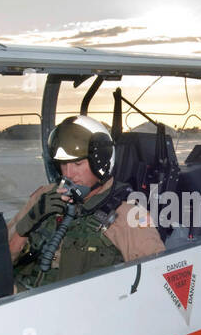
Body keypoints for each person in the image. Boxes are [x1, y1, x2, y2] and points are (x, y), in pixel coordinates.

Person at [8, 115, 164, 290]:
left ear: (101, 163)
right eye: (63, 164)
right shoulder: (44, 197)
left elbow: (156, 283)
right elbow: (1, 263)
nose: (68, 174)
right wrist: (28, 223)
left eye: (77, 163)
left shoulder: (130, 215)